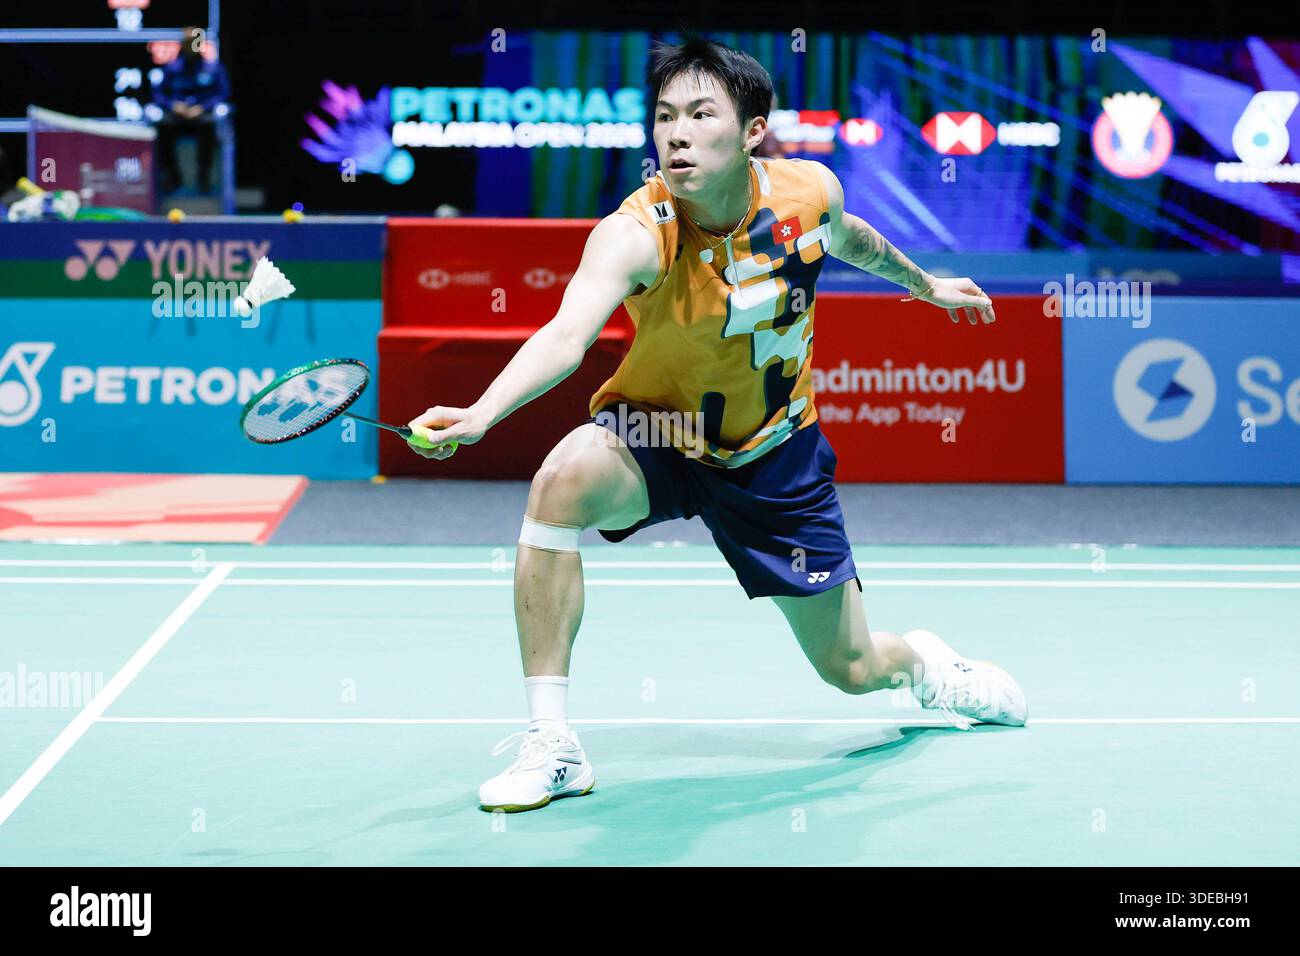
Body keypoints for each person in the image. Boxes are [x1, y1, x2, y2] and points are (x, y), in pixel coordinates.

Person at [406, 38, 1027, 813]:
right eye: (665, 116)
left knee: (852, 668)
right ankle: (552, 743)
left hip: (774, 456)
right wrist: (482, 414)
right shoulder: (639, 232)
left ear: (753, 131)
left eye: (701, 114)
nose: (676, 133)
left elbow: (848, 235)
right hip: (660, 436)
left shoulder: (808, 194)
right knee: (559, 484)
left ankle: (929, 668)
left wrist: (925, 284)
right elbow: (566, 335)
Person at [151, 26, 230, 194]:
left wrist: (202, 108)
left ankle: (203, 176)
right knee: (162, 126)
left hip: (200, 116)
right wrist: (173, 106)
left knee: (208, 125)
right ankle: (173, 175)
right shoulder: (172, 68)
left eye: (194, 42)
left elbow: (222, 93)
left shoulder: (213, 68)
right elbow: (159, 94)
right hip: (178, 117)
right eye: (187, 42)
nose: (190, 45)